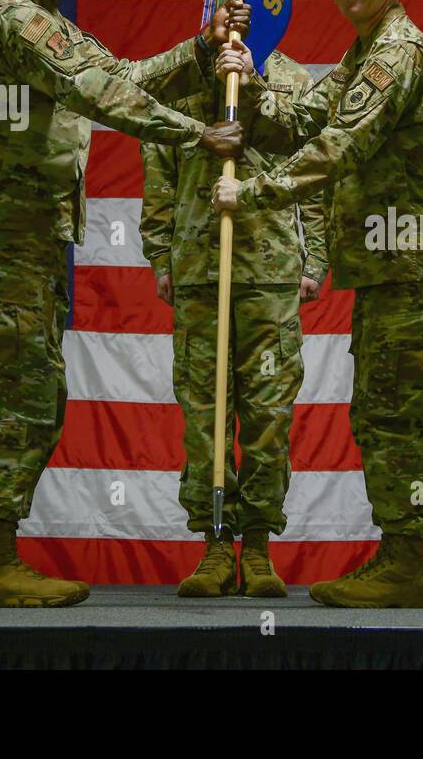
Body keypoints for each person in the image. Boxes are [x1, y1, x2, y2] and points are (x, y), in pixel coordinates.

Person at [0, 0, 244, 608]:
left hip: (30, 231)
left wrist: (201, 50)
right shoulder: (17, 20)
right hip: (4, 231)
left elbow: (124, 81)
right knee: (18, 391)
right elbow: (100, 92)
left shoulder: (52, 24)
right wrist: (195, 134)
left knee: (35, 390)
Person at [212, 0, 423, 608]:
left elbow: (337, 146)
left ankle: (404, 565)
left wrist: (255, 190)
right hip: (393, 269)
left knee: (398, 418)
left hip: (415, 269)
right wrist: (247, 82)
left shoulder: (397, 55)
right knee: (382, 414)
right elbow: (304, 118)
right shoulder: (365, 53)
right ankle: (397, 554)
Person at [141, 35, 325, 599]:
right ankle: (216, 546)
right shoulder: (182, 85)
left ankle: (260, 546)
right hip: (200, 272)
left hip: (271, 274)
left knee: (268, 416)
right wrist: (161, 255)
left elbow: (317, 176)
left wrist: (315, 256)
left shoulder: (295, 85)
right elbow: (159, 177)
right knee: (205, 415)